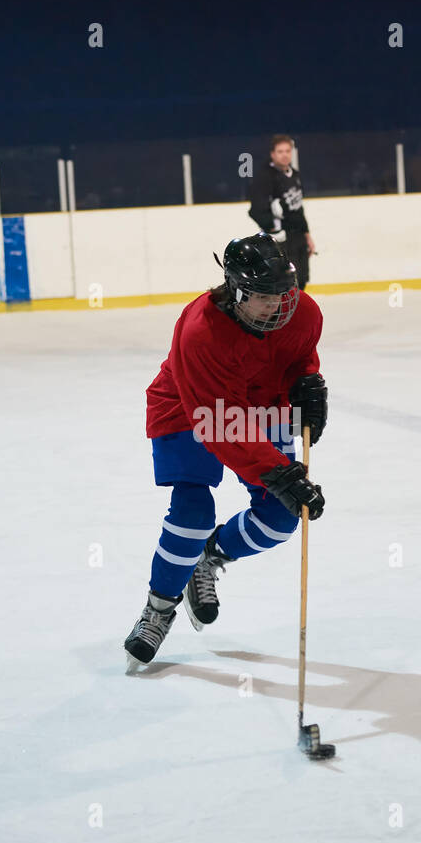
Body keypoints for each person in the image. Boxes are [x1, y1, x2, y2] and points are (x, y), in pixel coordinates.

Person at [126, 233, 328, 670]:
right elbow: (219, 424)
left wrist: (306, 387)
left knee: (281, 518)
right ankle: (158, 610)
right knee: (192, 512)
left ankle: (211, 557)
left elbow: (299, 358)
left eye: (282, 293)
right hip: (189, 406)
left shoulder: (303, 311)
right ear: (236, 290)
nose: (276, 305)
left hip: (259, 404)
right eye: (262, 297)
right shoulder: (200, 331)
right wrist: (278, 471)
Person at [248, 135, 315, 290]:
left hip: (298, 236)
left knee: (302, 278)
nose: (284, 154)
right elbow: (255, 210)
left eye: (287, 151)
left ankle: (298, 313)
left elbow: (298, 208)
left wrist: (307, 236)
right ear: (273, 154)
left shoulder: (295, 175)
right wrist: (273, 229)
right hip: (281, 239)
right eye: (280, 151)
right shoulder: (264, 177)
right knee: (285, 282)